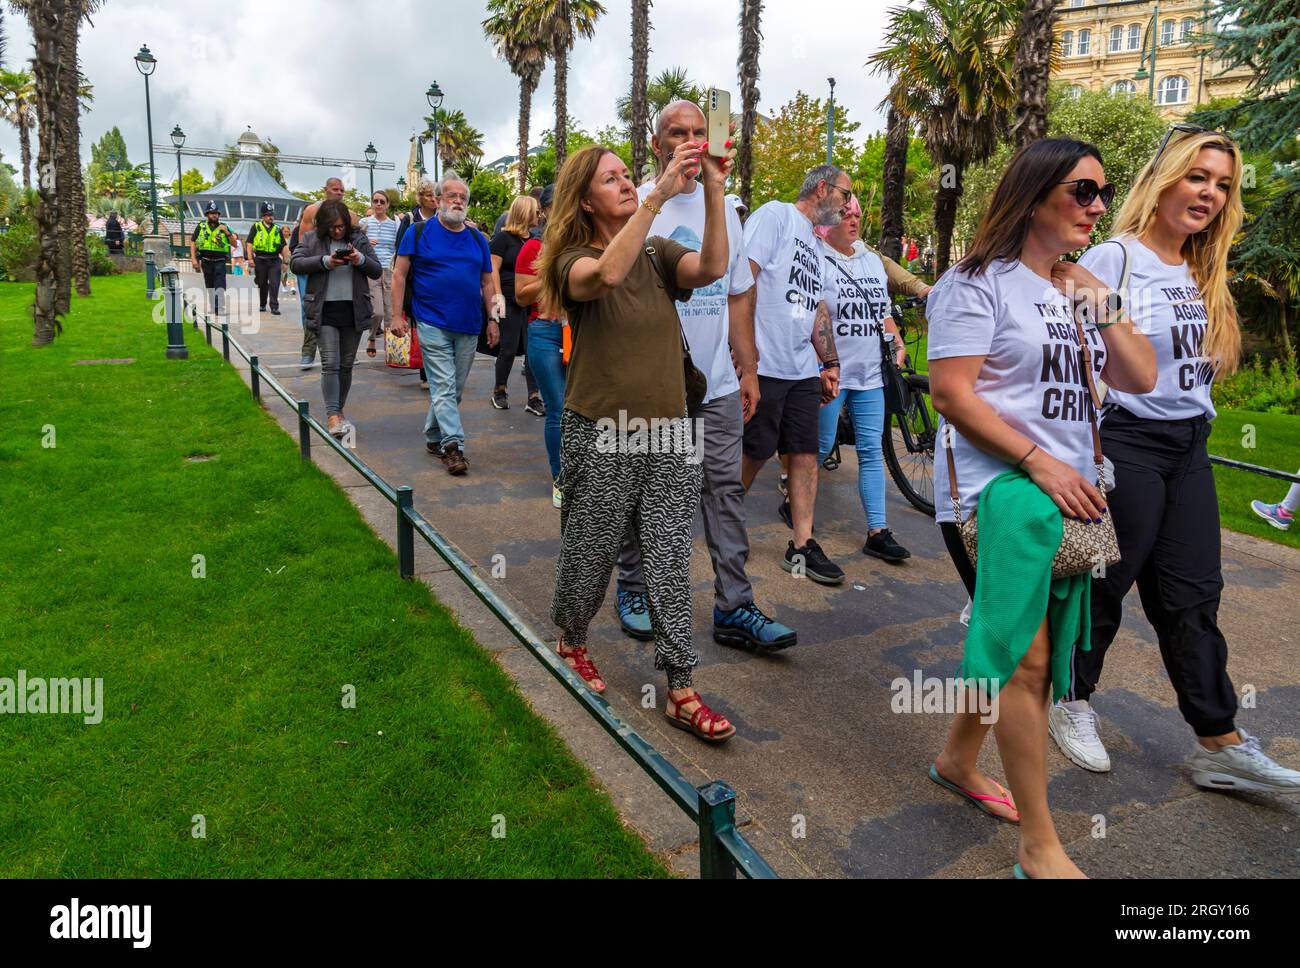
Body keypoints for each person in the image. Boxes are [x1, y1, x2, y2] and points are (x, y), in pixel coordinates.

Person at [927, 138, 1156, 878]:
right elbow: (951, 392)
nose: (1097, 205)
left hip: (1065, 489)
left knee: (1020, 641)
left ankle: (959, 757)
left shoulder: (1073, 289)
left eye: (1102, 192)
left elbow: (1142, 376)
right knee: (1030, 662)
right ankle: (1040, 846)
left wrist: (1100, 297)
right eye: (1081, 191)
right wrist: (1037, 461)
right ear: (1033, 197)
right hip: (993, 493)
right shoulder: (975, 283)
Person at [1050, 128, 1300, 794]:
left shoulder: (1201, 269)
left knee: (1193, 596)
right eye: (1198, 177)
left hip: (1190, 446)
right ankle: (1070, 699)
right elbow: (1065, 356)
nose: (1209, 194)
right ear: (1165, 178)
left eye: (1222, 185)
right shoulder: (1112, 257)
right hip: (1127, 440)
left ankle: (1219, 742)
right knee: (1105, 580)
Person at [537, 140, 737, 741]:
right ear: (585, 199)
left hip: (671, 430)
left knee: (670, 558)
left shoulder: (654, 251)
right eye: (611, 180)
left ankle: (680, 686)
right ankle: (572, 639)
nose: (626, 184)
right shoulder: (570, 258)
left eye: (629, 176)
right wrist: (655, 196)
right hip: (602, 431)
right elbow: (606, 274)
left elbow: (711, 270)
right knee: (590, 552)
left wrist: (715, 191)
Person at [608, 99, 795, 652]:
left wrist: (748, 368)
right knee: (644, 492)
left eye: (699, 131)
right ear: (656, 140)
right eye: (676, 132)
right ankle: (634, 589)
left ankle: (734, 607)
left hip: (714, 384)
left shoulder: (728, 210)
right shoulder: (635, 205)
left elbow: (736, 294)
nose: (690, 141)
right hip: (653, 386)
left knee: (725, 493)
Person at [737, 164, 851, 585]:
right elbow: (741, 279)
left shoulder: (817, 246)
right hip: (765, 363)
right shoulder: (776, 215)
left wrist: (831, 362)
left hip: (802, 367)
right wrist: (744, 354)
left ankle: (802, 544)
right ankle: (727, 527)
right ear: (822, 188)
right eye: (843, 196)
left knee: (805, 453)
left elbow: (818, 309)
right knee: (755, 450)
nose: (845, 208)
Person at [813, 191, 911, 562]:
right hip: (832, 373)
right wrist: (824, 364)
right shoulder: (818, 259)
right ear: (827, 221)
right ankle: (795, 495)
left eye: (855, 215)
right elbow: (814, 315)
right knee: (819, 448)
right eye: (845, 214)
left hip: (871, 373)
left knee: (872, 451)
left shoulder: (871, 261)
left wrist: (896, 340)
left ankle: (877, 531)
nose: (853, 220)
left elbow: (881, 310)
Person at [390, 173, 502, 476]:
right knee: (442, 385)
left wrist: (493, 319)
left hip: (468, 323)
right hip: (431, 320)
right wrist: (396, 315)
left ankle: (432, 434)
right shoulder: (418, 232)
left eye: (463, 198)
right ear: (437, 200)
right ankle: (453, 447)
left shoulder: (478, 238)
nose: (458, 202)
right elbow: (399, 275)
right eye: (451, 196)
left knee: (455, 388)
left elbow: (487, 282)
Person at [290, 199, 382, 438]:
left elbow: (376, 269)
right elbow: (296, 263)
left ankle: (338, 409)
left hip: (354, 310)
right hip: (324, 310)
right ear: (324, 225)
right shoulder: (312, 239)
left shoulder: (358, 239)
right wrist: (325, 261)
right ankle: (332, 415)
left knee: (346, 364)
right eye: (333, 227)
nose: (338, 231)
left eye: (341, 226)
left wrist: (359, 259)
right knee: (330, 362)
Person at [489, 196, 544, 413]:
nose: (538, 215)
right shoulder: (503, 239)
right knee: (509, 348)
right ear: (525, 212)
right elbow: (492, 269)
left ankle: (533, 396)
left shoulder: (534, 240)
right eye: (535, 211)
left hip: (530, 300)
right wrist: (498, 297)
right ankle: (499, 390)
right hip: (509, 299)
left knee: (533, 349)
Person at [360, 189, 398, 358]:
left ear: (388, 204)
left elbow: (398, 248)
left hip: (390, 271)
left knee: (390, 313)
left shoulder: (395, 224)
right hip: (371, 269)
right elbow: (354, 244)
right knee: (378, 312)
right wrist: (366, 243)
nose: (378, 204)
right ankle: (372, 337)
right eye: (375, 201)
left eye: (382, 201)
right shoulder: (364, 222)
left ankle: (392, 350)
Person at [190, 202, 237, 316]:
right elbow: (193, 242)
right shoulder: (201, 226)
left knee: (220, 285)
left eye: (216, 213)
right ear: (207, 215)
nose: (214, 215)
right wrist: (193, 259)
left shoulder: (224, 226)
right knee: (210, 285)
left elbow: (235, 244)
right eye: (211, 213)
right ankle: (213, 306)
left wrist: (227, 232)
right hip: (205, 260)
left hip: (220, 261)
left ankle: (220, 308)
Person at [247, 203, 289, 315]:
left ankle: (274, 306)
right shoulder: (256, 227)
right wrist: (250, 258)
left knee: (275, 283)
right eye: (267, 215)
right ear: (263, 216)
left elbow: (284, 246)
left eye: (271, 215)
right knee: (262, 283)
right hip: (260, 259)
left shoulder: (277, 229)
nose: (270, 217)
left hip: (274, 259)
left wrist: (285, 262)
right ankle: (262, 304)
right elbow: (249, 243)